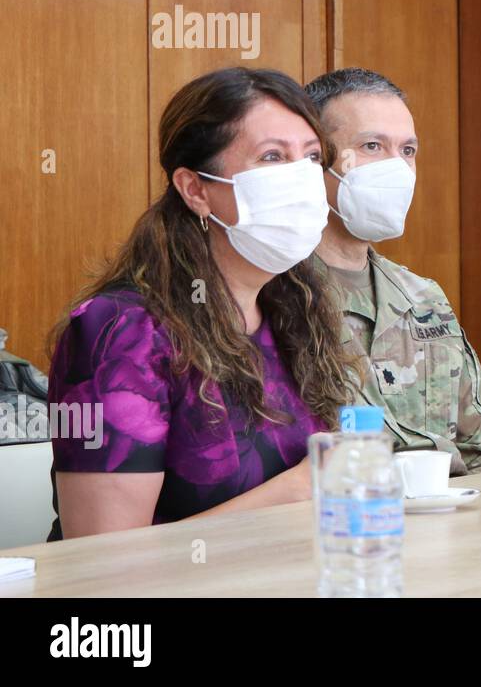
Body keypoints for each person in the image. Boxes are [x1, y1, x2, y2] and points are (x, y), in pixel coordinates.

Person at [46, 67, 359, 539]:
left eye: (311, 158)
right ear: (195, 190)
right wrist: (296, 491)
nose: (300, 177)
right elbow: (101, 557)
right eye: (273, 156)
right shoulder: (115, 331)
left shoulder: (295, 307)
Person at [305, 68, 481, 474]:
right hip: (341, 522)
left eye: (407, 151)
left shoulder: (423, 297)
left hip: (447, 522)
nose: (397, 169)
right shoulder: (269, 296)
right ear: (315, 160)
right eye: (371, 146)